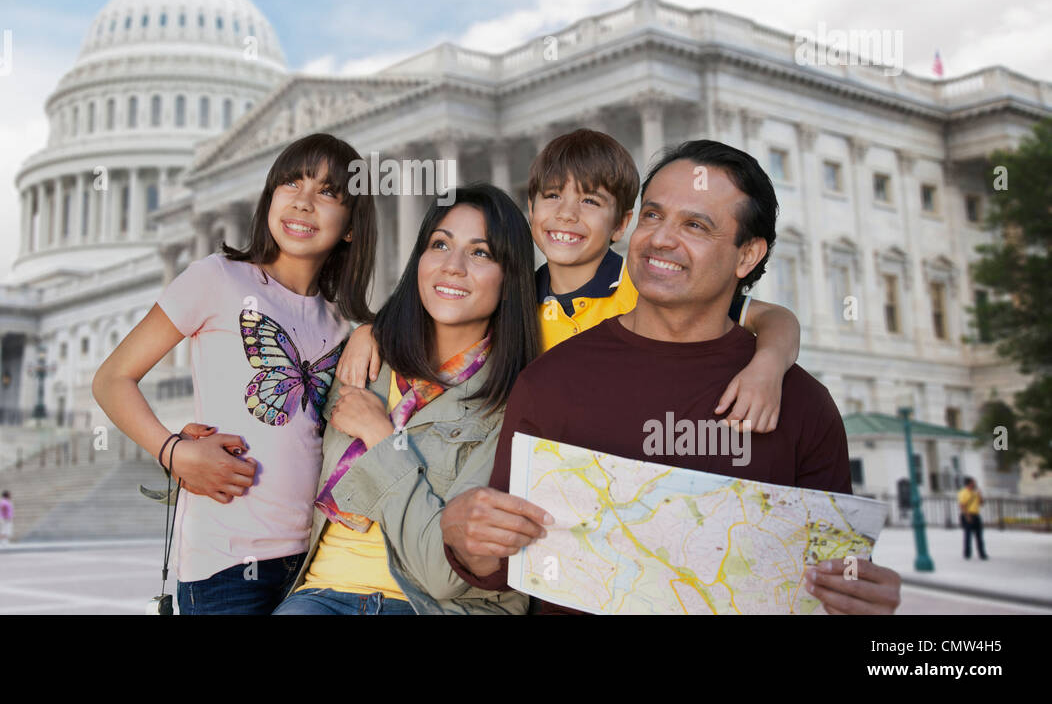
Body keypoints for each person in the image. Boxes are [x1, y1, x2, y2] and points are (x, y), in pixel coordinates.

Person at [441, 140, 903, 615]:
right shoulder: (547, 380)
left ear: (748, 256)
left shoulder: (802, 404)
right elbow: (496, 561)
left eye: (696, 225)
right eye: (653, 216)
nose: (661, 239)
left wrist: (860, 598)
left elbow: (835, 579)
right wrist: (462, 534)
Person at [339, 129, 800, 432]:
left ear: (622, 225)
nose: (566, 214)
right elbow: (441, 319)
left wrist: (768, 367)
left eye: (590, 202)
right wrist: (369, 331)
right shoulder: (514, 300)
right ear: (532, 209)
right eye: (553, 196)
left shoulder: (649, 289)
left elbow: (773, 317)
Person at [93, 133, 377, 614]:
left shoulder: (341, 323)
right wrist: (172, 451)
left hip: (313, 562)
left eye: (328, 192)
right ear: (269, 198)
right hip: (224, 565)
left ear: (350, 226)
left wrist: (372, 327)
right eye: (291, 183)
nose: (304, 202)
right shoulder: (218, 277)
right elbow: (112, 378)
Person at [273, 183, 538, 614]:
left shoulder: (516, 405)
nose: (453, 266)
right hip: (320, 595)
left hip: (433, 606)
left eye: (480, 253)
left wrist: (381, 437)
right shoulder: (361, 362)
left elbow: (444, 572)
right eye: (440, 245)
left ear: (510, 280)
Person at [958, 476, 988, 560]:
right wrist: (967, 516)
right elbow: (962, 505)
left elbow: (981, 503)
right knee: (968, 535)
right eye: (973, 482)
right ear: (969, 483)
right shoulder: (963, 492)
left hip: (976, 515)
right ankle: (967, 553)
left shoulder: (975, 493)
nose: (975, 484)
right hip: (968, 515)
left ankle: (982, 554)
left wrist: (980, 495)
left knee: (979, 535)